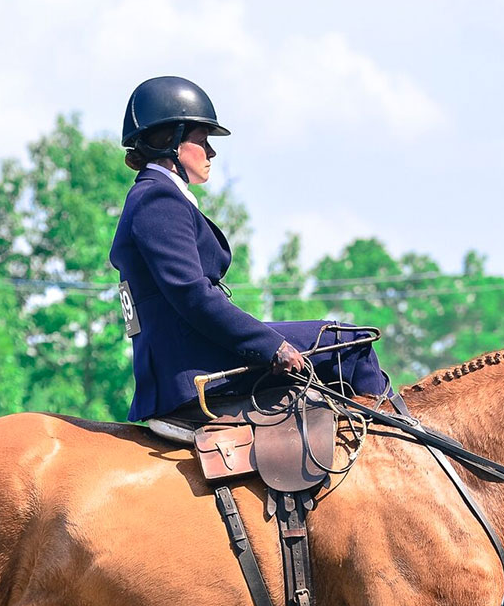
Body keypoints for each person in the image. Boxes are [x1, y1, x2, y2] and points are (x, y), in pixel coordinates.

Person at [109, 76, 388, 423]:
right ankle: (399, 454)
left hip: (185, 356)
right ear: (170, 141)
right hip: (190, 365)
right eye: (202, 140)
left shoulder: (154, 196)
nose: (211, 152)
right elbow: (193, 296)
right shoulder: (156, 198)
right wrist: (272, 346)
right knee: (351, 343)